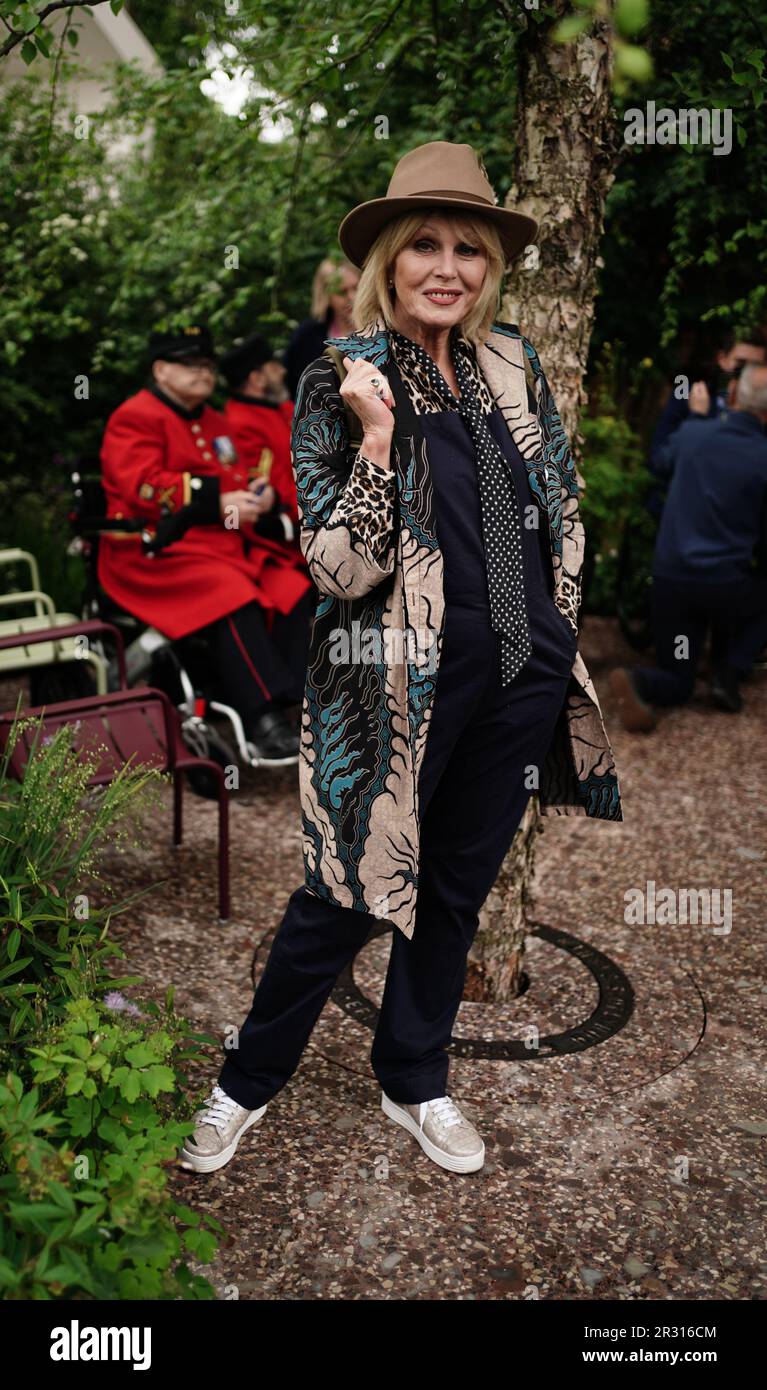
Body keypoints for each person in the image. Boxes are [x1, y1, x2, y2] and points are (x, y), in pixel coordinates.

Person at [179, 141, 623, 1179]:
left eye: (467, 248)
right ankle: (244, 1083)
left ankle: (412, 1074)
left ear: (488, 268)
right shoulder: (339, 377)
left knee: (456, 891)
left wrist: (554, 622)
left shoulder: (511, 358)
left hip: (517, 675)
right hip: (386, 695)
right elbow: (333, 567)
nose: (446, 266)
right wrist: (376, 442)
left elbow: (558, 497)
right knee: (338, 897)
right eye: (422, 242)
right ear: (387, 257)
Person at [99, 324, 312, 762]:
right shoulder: (134, 415)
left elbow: (235, 475)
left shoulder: (214, 420)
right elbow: (142, 487)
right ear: (161, 370)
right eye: (191, 365)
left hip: (221, 545)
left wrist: (260, 491)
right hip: (154, 551)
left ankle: (297, 703)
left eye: (208, 366)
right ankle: (260, 719)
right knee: (228, 592)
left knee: (291, 585)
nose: (204, 373)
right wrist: (217, 499)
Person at [610, 362, 767, 729]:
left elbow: (658, 463)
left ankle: (641, 681)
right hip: (728, 588)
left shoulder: (692, 436)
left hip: (672, 582)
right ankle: (728, 673)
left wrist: (686, 416)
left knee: (678, 677)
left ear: (731, 395)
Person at [283, 255, 359, 399]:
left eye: (356, 287)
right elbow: (297, 389)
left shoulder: (380, 327)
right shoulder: (306, 337)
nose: (352, 297)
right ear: (326, 295)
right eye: (342, 291)